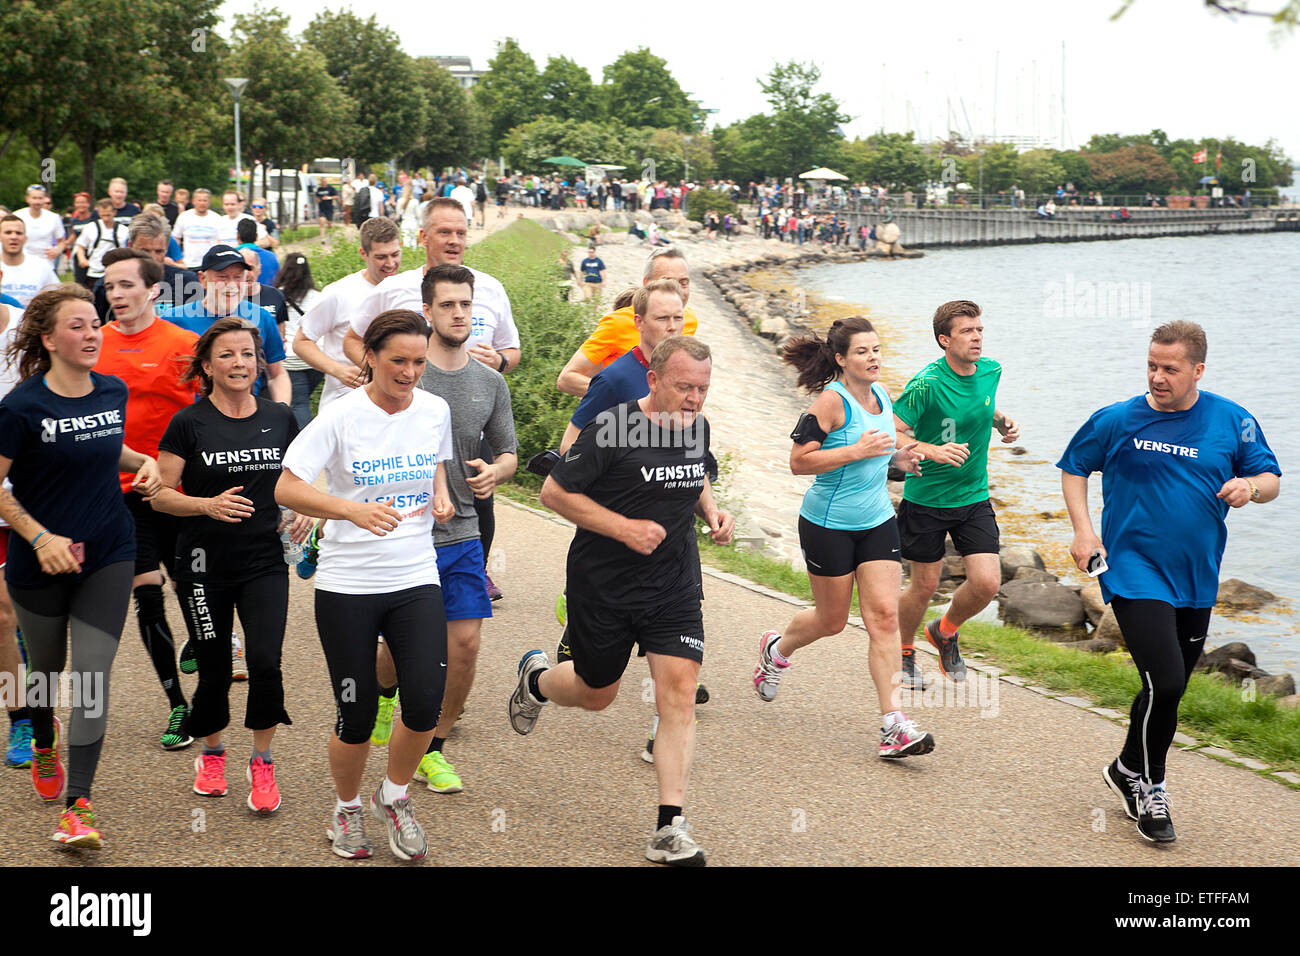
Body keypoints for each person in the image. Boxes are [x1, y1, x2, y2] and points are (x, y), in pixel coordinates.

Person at [510, 336, 733, 866]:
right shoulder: (610, 428)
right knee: (596, 694)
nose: (694, 399)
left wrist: (712, 513)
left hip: (674, 584)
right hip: (604, 585)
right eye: (684, 387)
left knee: (678, 692)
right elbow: (554, 493)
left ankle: (669, 827)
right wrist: (624, 528)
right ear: (653, 380)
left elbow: (696, 471)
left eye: (703, 389)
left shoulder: (696, 425)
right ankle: (537, 681)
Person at [1059, 321, 1280, 844]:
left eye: (1170, 369)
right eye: (1152, 366)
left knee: (1162, 685)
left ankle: (1125, 768)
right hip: (1132, 570)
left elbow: (1271, 479)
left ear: (1197, 370)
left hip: (1197, 576)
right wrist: (1084, 531)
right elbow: (1074, 467)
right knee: (1171, 680)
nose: (1157, 377)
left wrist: (1250, 486)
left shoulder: (1232, 420)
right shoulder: (1116, 419)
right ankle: (1152, 789)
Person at [276, 309, 454, 861]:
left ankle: (394, 796)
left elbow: (434, 462)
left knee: (425, 702)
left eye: (419, 362)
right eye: (398, 360)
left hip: (414, 574)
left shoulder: (435, 409)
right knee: (355, 717)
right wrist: (347, 510)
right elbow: (286, 487)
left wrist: (441, 495)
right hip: (348, 583)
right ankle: (347, 808)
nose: (409, 372)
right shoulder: (340, 416)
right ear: (369, 356)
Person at [0, 284, 162, 848]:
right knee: (44, 670)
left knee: (92, 674)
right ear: (48, 338)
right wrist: (39, 536)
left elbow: (105, 445)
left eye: (95, 324)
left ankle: (79, 807)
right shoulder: (20, 407)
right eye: (77, 326)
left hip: (108, 550)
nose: (92, 334)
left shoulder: (112, 390)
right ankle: (43, 738)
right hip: (36, 560)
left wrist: (144, 462)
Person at [752, 317, 935, 758]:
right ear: (840, 359)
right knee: (832, 621)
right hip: (828, 524)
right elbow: (799, 461)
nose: (873, 358)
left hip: (876, 520)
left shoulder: (882, 395)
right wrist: (857, 451)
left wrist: (900, 458)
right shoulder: (829, 404)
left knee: (884, 618)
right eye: (862, 352)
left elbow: (881, 449)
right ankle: (776, 650)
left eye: (876, 350)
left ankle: (893, 724)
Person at [152, 317, 302, 812]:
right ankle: (212, 754)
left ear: (259, 362)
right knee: (214, 667)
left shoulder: (280, 418)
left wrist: (300, 510)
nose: (238, 364)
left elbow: (296, 482)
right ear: (207, 366)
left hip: (263, 562)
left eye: (246, 355)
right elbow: (160, 497)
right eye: (226, 356)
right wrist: (206, 505)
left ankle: (262, 762)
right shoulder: (189, 422)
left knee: (264, 661)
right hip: (201, 566)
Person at [342, 198, 520, 601]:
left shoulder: (489, 287)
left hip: (473, 405)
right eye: (444, 232)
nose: (454, 240)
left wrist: (500, 363)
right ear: (423, 237)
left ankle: (477, 566)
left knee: (476, 496)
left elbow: (512, 351)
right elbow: (353, 339)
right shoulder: (393, 288)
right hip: (402, 419)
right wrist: (383, 380)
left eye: (460, 232)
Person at [391, 264, 517, 794]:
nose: (459, 313)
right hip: (402, 529)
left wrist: (496, 471)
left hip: (463, 528)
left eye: (466, 305)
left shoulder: (489, 381)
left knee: (464, 644)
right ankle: (380, 699)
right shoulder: (404, 373)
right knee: (393, 651)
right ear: (428, 312)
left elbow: (508, 452)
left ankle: (433, 746)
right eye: (448, 305)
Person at [94, 248, 199, 750]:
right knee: (146, 593)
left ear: (153, 289)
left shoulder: (184, 344)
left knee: (193, 586)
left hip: (180, 487)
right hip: (122, 491)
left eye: (126, 285)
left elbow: (211, 412)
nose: (116, 295)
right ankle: (178, 705)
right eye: (110, 286)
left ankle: (203, 646)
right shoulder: (94, 344)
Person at [892, 300, 1020, 690]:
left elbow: (981, 404)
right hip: (926, 499)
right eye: (967, 331)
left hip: (973, 496)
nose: (977, 336)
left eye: (979, 329)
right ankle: (904, 650)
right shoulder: (925, 384)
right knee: (924, 586)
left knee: (986, 582)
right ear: (945, 340)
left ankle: (945, 632)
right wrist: (931, 450)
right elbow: (894, 434)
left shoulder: (991, 370)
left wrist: (1001, 421)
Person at [555, 247, 700, 398]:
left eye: (683, 283)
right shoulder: (618, 323)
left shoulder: (689, 320)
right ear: (646, 284)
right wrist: (630, 399)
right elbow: (566, 379)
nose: (676, 292)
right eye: (667, 283)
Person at [156, 245, 290, 405]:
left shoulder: (262, 317)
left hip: (246, 416)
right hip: (191, 420)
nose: (231, 285)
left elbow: (277, 374)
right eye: (223, 277)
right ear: (202, 279)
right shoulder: (173, 319)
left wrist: (282, 411)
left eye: (238, 277)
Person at [92, 213, 202, 322]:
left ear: (167, 248)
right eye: (144, 251)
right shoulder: (108, 286)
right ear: (130, 246)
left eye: (158, 251)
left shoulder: (186, 282)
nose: (152, 258)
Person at [275, 252, 324, 429]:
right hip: (315, 359)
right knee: (302, 400)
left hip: (290, 359)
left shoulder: (277, 296)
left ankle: (302, 440)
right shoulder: (318, 296)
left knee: (298, 403)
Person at [0, 215, 59, 308]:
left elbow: (58, 298)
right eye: (8, 232)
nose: (14, 237)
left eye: (18, 233)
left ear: (25, 238)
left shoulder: (42, 266)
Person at [74, 200, 131, 285]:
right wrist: (82, 259)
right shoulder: (90, 228)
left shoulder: (124, 230)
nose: (106, 218)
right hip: (94, 272)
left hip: (117, 272)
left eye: (108, 215)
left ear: (114, 212)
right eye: (102, 215)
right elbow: (81, 246)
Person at [173, 188, 223, 269]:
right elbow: (176, 238)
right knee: (180, 281)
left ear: (209, 202)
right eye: (199, 200)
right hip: (188, 264)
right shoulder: (184, 216)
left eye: (205, 200)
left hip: (210, 264)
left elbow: (220, 241)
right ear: (193, 201)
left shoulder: (217, 218)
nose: (202, 203)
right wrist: (178, 258)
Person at [16, 186, 66, 264]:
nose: (37, 201)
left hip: (46, 261)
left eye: (40, 198)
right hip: (22, 261)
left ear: (44, 199)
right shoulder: (18, 216)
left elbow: (62, 241)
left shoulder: (54, 217)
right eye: (34, 198)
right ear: (27, 199)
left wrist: (57, 250)